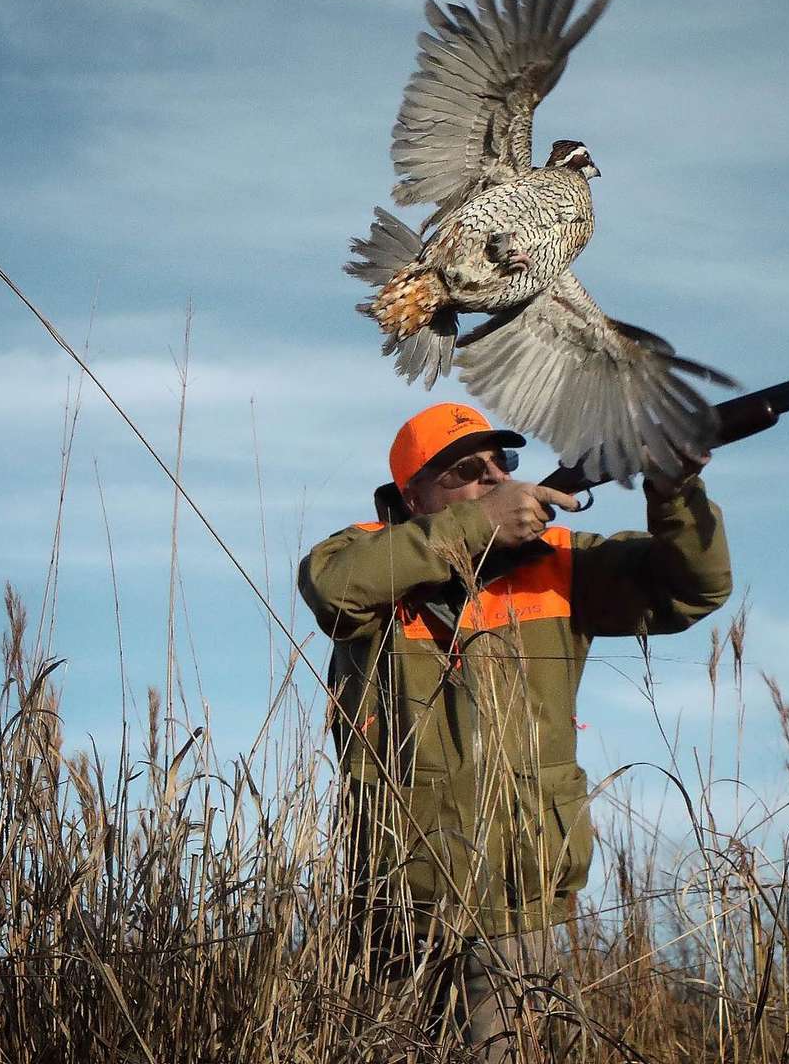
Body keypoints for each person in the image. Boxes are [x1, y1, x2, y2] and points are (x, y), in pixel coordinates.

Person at [298, 401, 732, 1058]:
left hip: (519, 898)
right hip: (397, 898)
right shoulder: (362, 550)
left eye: (502, 464)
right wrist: (473, 529)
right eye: (465, 473)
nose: (495, 480)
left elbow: (691, 589)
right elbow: (334, 590)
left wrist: (674, 491)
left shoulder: (563, 562)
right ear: (412, 495)